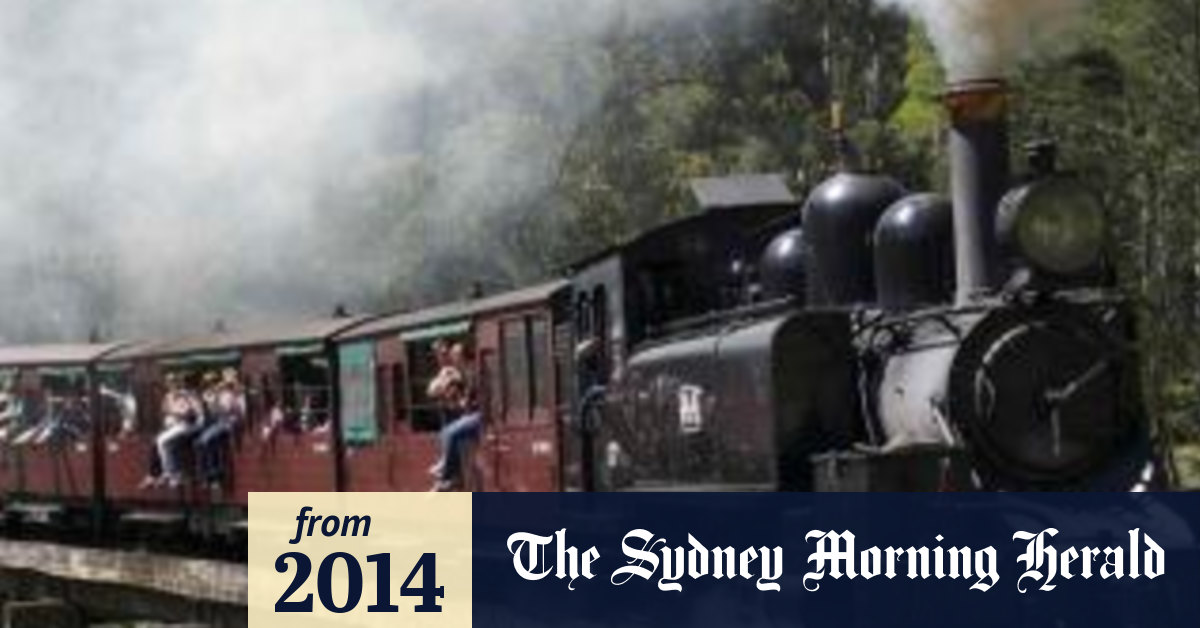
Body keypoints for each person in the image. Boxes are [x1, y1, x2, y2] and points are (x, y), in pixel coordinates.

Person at [429, 342, 482, 491]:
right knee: (447, 432)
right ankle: (446, 469)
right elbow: (433, 390)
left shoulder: (471, 371)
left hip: (480, 415)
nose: (453, 359)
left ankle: (446, 477)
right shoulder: (462, 372)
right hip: (471, 413)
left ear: (462, 356)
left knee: (452, 432)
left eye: (455, 356)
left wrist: (462, 401)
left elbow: (472, 398)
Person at [142, 373, 199, 489]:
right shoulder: (168, 397)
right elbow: (165, 412)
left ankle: (171, 473)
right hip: (175, 426)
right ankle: (158, 474)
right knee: (157, 442)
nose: (173, 386)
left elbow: (192, 414)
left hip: (188, 425)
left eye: (174, 383)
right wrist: (170, 417)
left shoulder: (187, 396)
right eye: (170, 383)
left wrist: (177, 415)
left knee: (164, 442)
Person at [194, 368, 245, 489]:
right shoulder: (215, 393)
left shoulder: (235, 392)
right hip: (217, 423)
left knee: (204, 441)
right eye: (208, 383)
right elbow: (212, 411)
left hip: (229, 422)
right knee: (207, 443)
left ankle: (212, 476)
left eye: (212, 382)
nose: (211, 385)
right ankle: (209, 476)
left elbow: (235, 411)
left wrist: (218, 401)